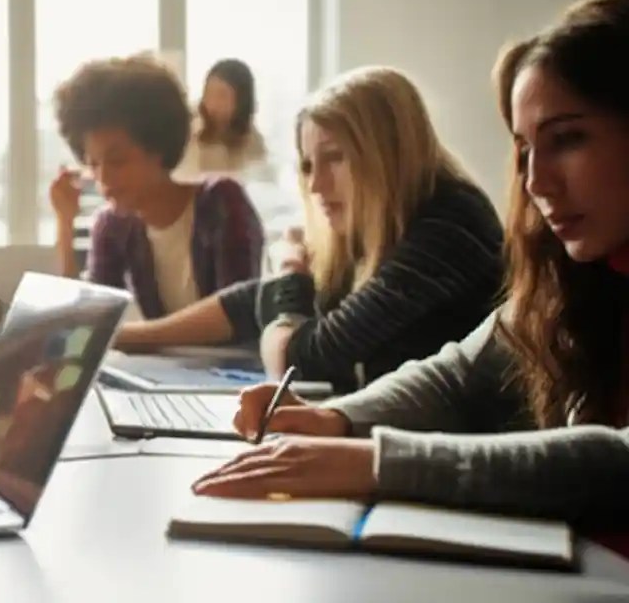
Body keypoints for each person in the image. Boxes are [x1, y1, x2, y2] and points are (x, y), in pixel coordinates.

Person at [194, 0, 629, 541]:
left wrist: (376, 462)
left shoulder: (450, 221)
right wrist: (338, 418)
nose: (535, 182)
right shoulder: (575, 272)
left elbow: (615, 460)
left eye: (567, 139)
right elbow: (457, 375)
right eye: (523, 150)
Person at [116, 66, 504, 393]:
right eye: (307, 166)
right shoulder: (375, 224)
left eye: (334, 158)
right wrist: (123, 336)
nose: (316, 185)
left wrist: (289, 272)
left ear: (388, 154)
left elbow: (301, 366)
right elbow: (249, 305)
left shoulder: (449, 225)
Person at [47, 53, 265, 320]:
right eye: (93, 163)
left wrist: (129, 337)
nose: (103, 177)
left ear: (158, 149)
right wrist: (65, 223)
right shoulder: (113, 226)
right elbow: (87, 324)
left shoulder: (221, 200)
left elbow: (237, 317)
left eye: (117, 160)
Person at [175, 58, 269, 178]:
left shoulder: (252, 138)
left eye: (222, 96)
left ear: (241, 100)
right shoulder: (189, 125)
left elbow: (257, 176)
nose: (213, 103)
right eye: (209, 93)